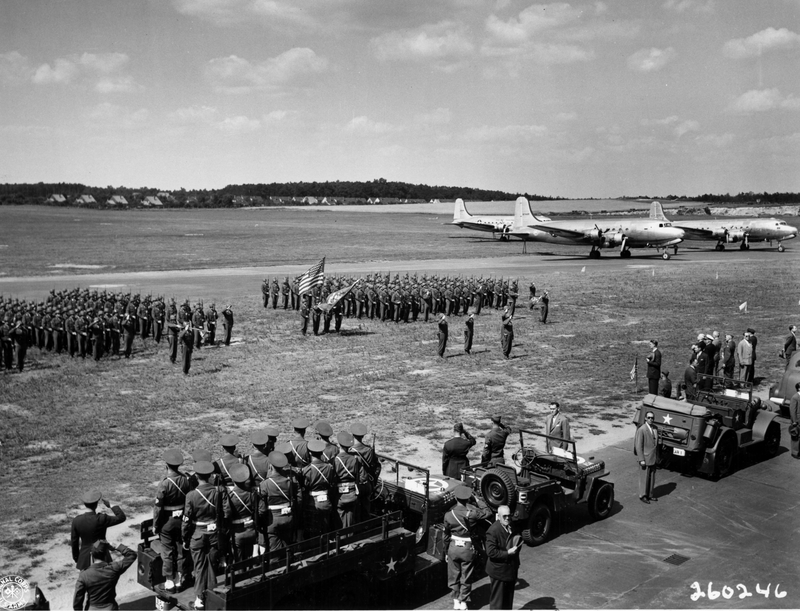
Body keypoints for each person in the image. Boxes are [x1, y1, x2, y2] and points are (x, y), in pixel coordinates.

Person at [443, 485, 493, 611]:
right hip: (467, 548)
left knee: (453, 575)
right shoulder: (473, 514)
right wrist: (477, 499)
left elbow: (446, 536)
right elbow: (488, 511)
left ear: (455, 497)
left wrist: (446, 551)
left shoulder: (449, 515)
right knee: (466, 575)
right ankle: (463, 601)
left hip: (453, 547)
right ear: (468, 498)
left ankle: (455, 601)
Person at [182, 460, 220, 611]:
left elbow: (186, 521)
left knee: (199, 567)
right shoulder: (218, 492)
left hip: (197, 535)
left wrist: (185, 538)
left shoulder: (191, 496)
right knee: (211, 565)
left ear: (197, 476)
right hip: (214, 533)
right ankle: (212, 596)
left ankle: (199, 599)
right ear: (210, 475)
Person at [153, 449, 192, 592]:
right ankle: (179, 579)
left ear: (166, 465)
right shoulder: (185, 480)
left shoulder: (164, 484)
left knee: (168, 552)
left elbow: (158, 508)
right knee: (181, 549)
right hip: (182, 520)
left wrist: (155, 525)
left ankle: (169, 581)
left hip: (167, 522)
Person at [72, 539, 136, 611]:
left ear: (91, 554)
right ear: (106, 554)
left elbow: (78, 598)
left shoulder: (84, 575)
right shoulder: (114, 568)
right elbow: (132, 555)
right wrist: (117, 546)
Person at [71, 492, 127, 570]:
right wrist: (111, 505)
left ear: (84, 504)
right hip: (101, 555)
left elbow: (74, 542)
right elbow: (121, 517)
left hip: (84, 558)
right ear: (96, 504)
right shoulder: (102, 519)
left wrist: (77, 558)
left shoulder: (76, 520)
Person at [259, 451, 299, 551]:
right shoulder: (289, 481)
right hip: (288, 517)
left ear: (271, 466)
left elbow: (262, 509)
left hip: (273, 519)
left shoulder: (265, 484)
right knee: (287, 548)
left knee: (274, 551)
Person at [485, 505, 521, 610]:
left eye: (509, 515)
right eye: (504, 516)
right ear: (498, 516)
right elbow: (491, 552)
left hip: (510, 571)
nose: (507, 518)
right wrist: (508, 553)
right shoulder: (493, 530)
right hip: (499, 572)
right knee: (497, 603)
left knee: (508, 601)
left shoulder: (511, 525)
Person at [223, 464, 259, 562]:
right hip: (251, 528)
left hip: (237, 531)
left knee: (238, 562)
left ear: (232, 479)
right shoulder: (252, 493)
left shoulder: (229, 496)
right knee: (252, 559)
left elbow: (227, 514)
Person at [302, 440, 336, 539]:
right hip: (326, 500)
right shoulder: (329, 467)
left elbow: (305, 486)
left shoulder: (306, 469)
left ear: (310, 453)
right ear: (322, 453)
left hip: (312, 502)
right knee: (325, 528)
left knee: (313, 531)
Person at [634, 411, 659, 503]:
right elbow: (638, 446)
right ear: (645, 418)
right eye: (649, 417)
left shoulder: (655, 428)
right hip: (645, 457)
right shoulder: (642, 429)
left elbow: (656, 444)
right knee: (644, 477)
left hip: (653, 457)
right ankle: (643, 495)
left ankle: (650, 494)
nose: (650, 419)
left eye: (652, 418)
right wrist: (641, 459)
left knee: (651, 477)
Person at [790, 382, 800, 459]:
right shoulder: (795, 397)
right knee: (796, 436)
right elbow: (793, 410)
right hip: (797, 421)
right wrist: (794, 421)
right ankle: (794, 452)